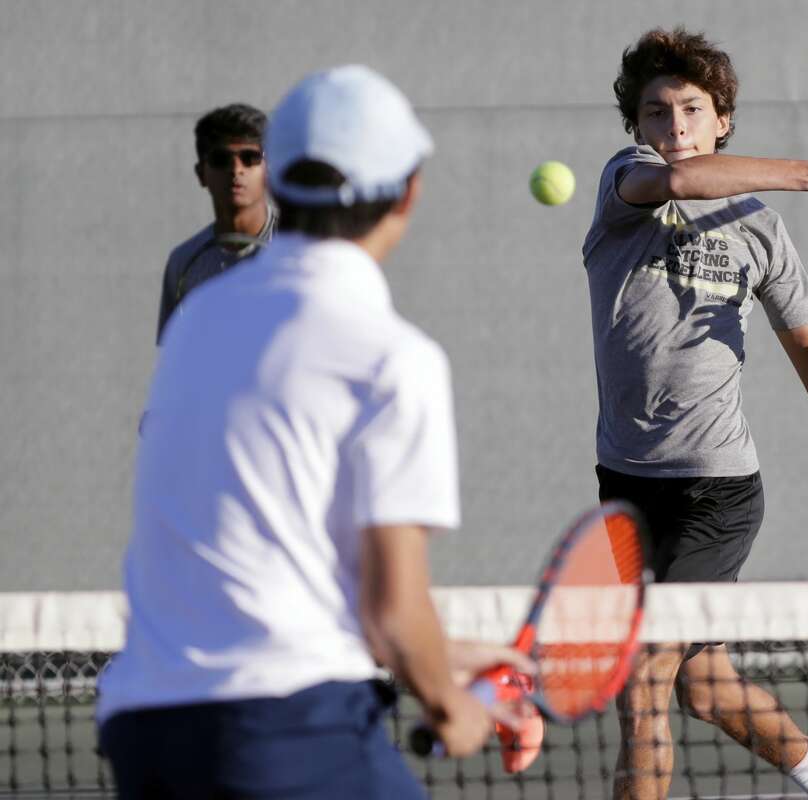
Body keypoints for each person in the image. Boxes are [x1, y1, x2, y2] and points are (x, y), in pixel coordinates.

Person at [99, 65, 528, 799]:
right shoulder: (394, 360)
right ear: (410, 192)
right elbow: (393, 612)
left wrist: (451, 657)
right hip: (289, 731)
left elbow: (277, 583)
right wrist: (453, 706)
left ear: (279, 181)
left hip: (147, 734)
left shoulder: (200, 320)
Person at [583, 28, 808, 800]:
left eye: (692, 111)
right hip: (627, 481)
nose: (675, 129)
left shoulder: (760, 228)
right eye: (657, 114)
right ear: (637, 129)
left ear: (721, 119)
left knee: (645, 684)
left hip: (717, 492)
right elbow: (684, 183)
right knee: (703, 688)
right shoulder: (626, 183)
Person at [156, 103, 277, 343]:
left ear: (268, 169)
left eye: (250, 158)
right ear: (201, 173)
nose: (236, 170)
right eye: (221, 159)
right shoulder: (184, 261)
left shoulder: (305, 250)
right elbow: (176, 357)